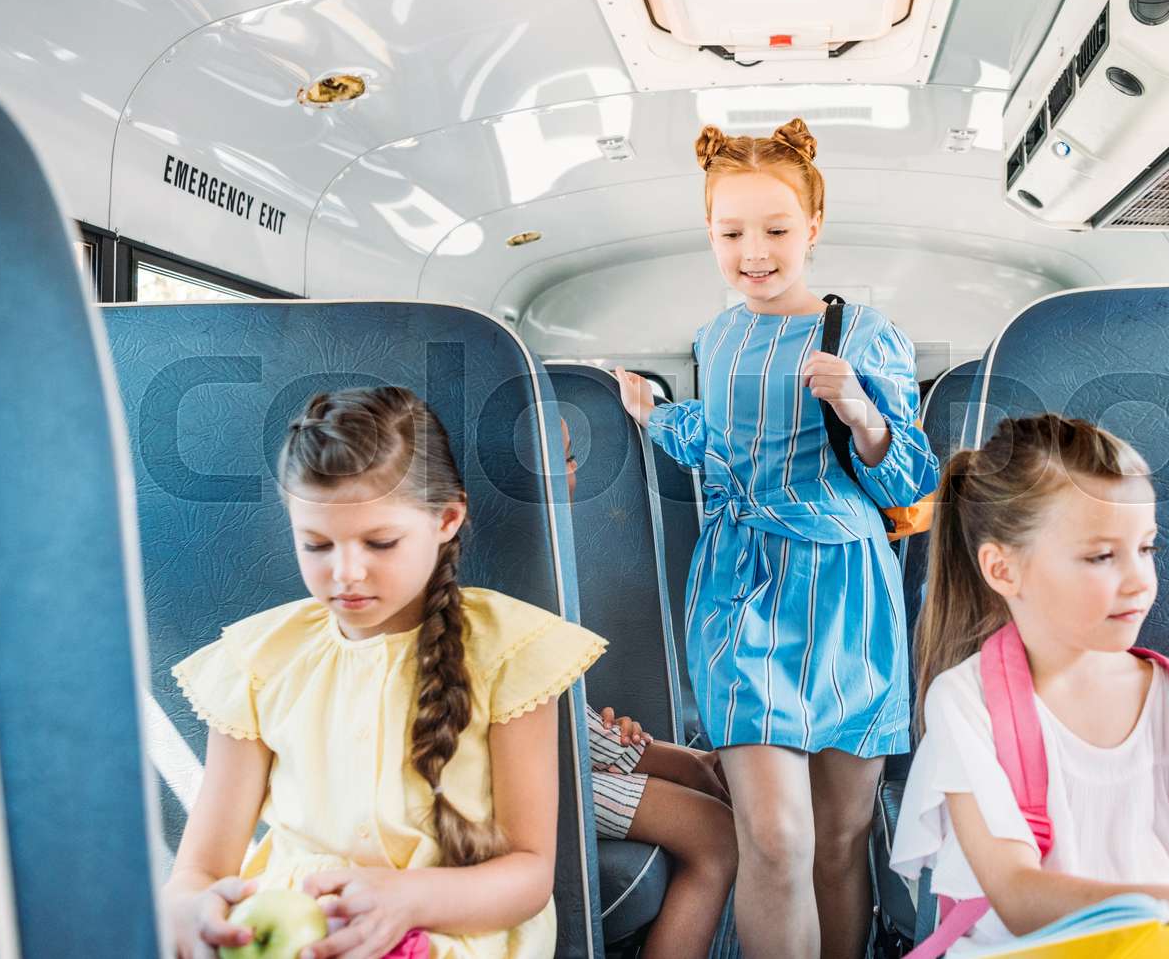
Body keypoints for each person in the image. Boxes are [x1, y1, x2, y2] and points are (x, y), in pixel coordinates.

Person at [614, 118, 939, 959]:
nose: (753, 252)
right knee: (777, 836)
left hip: (845, 595)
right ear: (709, 233)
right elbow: (719, 446)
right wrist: (654, 414)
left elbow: (909, 483)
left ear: (814, 227)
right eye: (731, 233)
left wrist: (862, 413)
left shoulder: (865, 335)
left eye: (776, 230)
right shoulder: (717, 337)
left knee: (837, 842)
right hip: (740, 588)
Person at [163, 386, 603, 959]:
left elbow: (528, 874)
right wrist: (192, 909)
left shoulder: (507, 652)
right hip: (290, 931)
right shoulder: (258, 660)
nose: (346, 572)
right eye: (316, 545)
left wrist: (408, 900)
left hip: (448, 930)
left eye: (380, 542)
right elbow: (199, 868)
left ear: (446, 519)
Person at [890, 415, 1169, 956]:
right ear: (1003, 570)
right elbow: (1019, 897)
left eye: (1146, 549)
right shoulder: (966, 702)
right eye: (1101, 556)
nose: (1139, 580)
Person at [561, 418, 738, 958]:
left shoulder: (553, 554)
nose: (571, 472)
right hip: (540, 773)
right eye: (559, 459)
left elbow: (568, 718)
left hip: (568, 753)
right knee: (719, 835)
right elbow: (555, 729)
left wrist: (682, 761)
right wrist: (681, 763)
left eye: (571, 456)